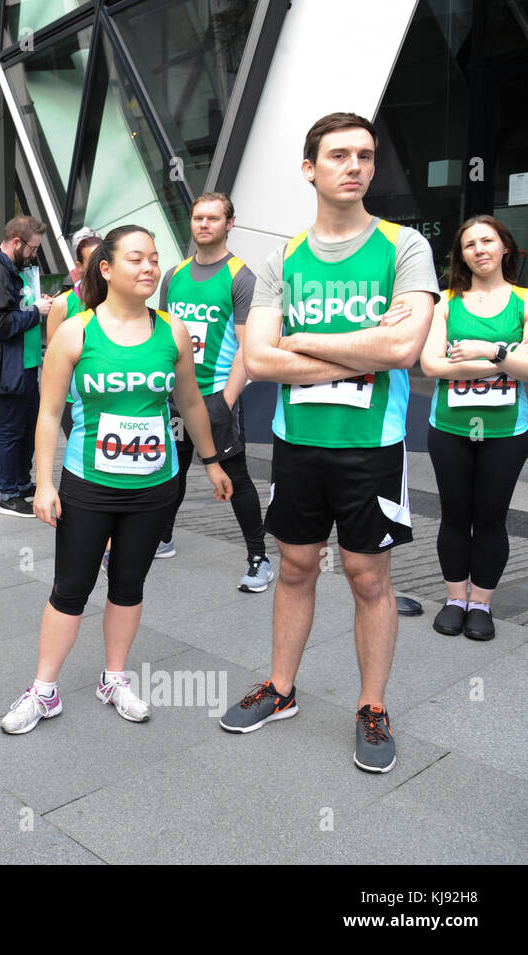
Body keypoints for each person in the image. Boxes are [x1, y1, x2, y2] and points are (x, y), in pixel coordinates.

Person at [217, 112, 438, 775]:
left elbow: (405, 347)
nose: (355, 165)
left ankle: (372, 705)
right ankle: (280, 688)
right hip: (297, 443)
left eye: (365, 155)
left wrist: (301, 339)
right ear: (310, 168)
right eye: (339, 154)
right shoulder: (282, 256)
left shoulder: (405, 247)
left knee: (368, 576)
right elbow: (256, 357)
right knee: (295, 566)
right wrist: (361, 348)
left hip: (371, 445)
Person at [0, 225, 232, 734]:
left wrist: (213, 461)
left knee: (128, 584)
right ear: (106, 269)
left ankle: (114, 678)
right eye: (136, 259)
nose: (149, 267)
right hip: (89, 483)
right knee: (71, 588)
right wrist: (43, 483)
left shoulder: (172, 331)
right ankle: (44, 690)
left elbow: (190, 401)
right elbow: (48, 412)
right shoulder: (76, 331)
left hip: (154, 485)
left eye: (154, 258)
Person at [155, 192, 271, 592]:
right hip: (173, 398)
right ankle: (163, 537)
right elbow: (162, 336)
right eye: (198, 217)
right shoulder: (174, 276)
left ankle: (259, 557)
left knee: (234, 475)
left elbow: (248, 347)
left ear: (229, 224)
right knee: (172, 470)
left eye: (213, 218)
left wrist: (226, 399)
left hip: (214, 396)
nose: (204, 224)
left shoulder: (241, 277)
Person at [420, 215, 528, 642]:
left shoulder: (524, 300)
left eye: (488, 241)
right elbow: (431, 366)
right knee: (453, 515)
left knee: (491, 518)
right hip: (448, 427)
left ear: (505, 247)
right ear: (461, 254)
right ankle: (454, 599)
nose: (479, 249)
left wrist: (486, 349)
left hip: (507, 431)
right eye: (469, 244)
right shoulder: (444, 303)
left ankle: (480, 603)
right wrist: (507, 360)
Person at [0, 215, 53, 516]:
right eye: (32, 248)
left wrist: (33, 303)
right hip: (9, 368)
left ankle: (21, 482)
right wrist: (36, 311)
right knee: (11, 430)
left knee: (28, 426)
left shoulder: (9, 268)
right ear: (16, 242)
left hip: (24, 364)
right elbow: (0, 324)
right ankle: (8, 495)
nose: (33, 254)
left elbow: (13, 309)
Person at [46, 228, 102, 439]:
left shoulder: (119, 301)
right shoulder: (62, 304)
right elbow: (54, 361)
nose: (101, 266)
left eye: (105, 259)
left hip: (112, 396)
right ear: (79, 267)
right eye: (94, 260)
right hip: (74, 401)